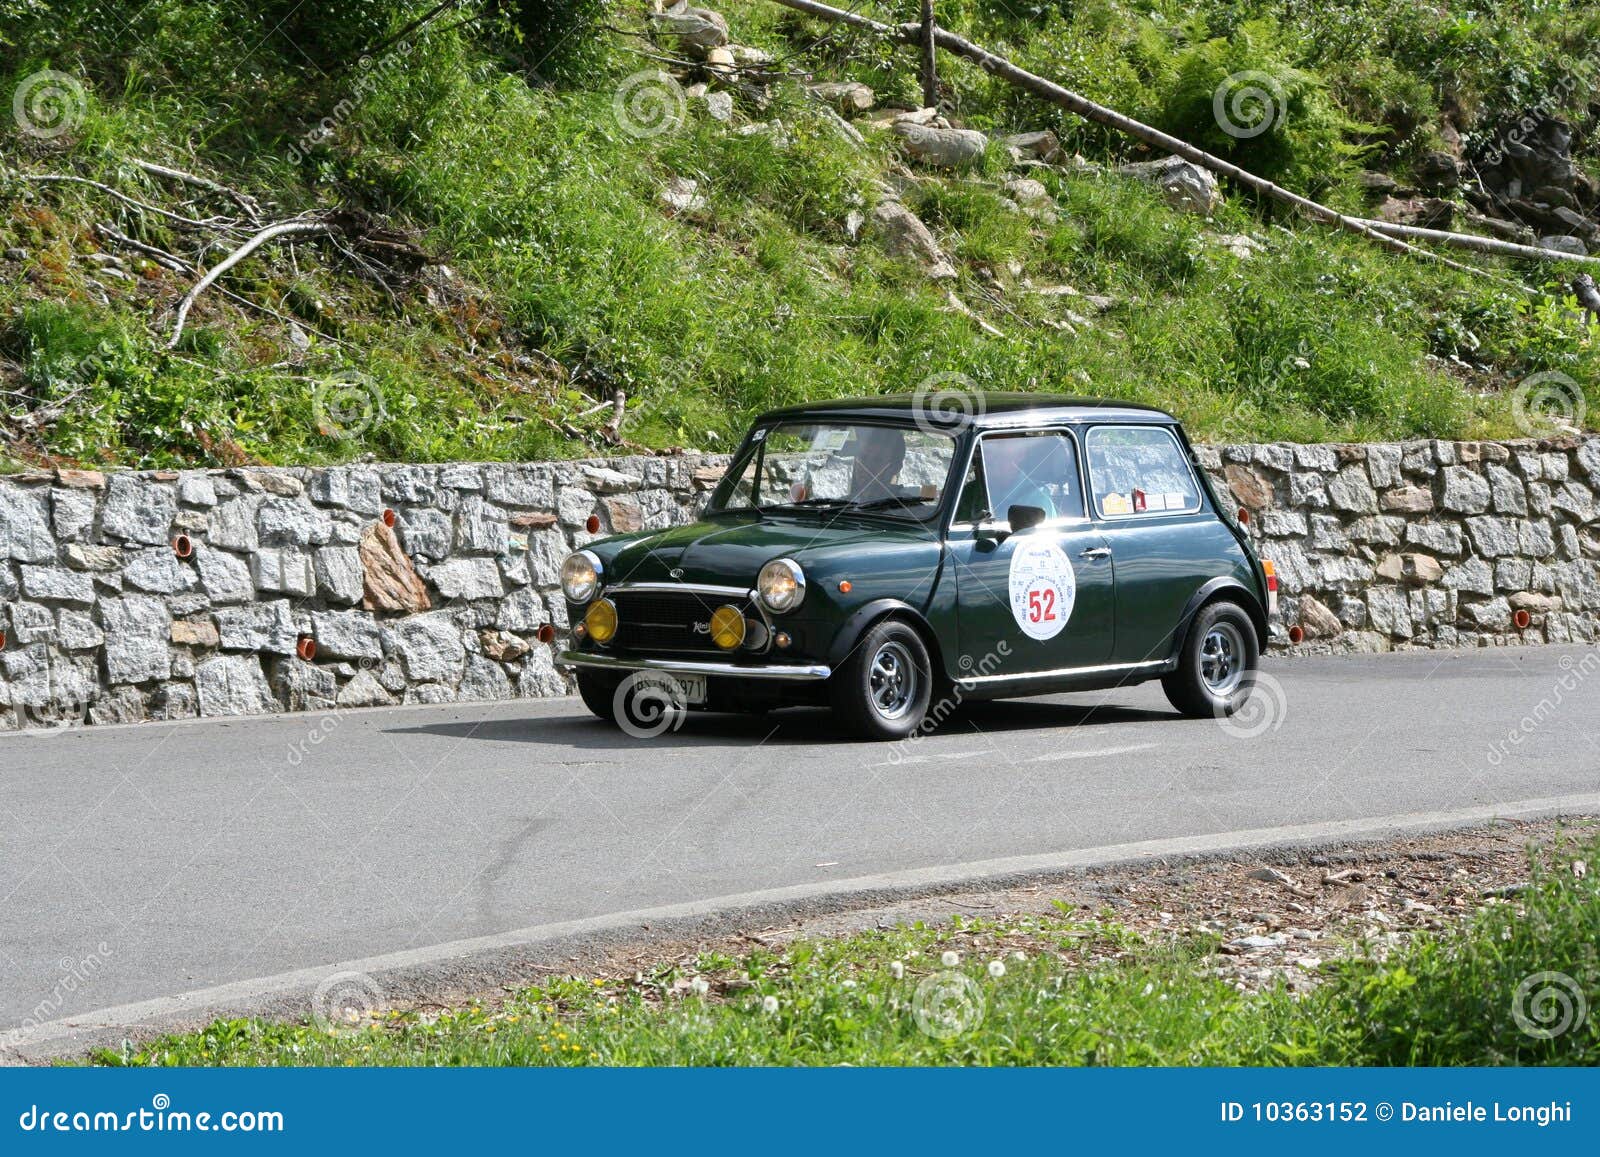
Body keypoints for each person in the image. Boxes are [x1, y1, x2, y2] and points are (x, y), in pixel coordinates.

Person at [984, 436, 1058, 521]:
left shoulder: (1037, 498)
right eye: (987, 447)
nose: (989, 456)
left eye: (1000, 445)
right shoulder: (971, 491)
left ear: (1020, 454)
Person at [848, 426, 908, 503]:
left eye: (877, 461)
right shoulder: (840, 505)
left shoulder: (912, 510)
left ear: (895, 468)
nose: (866, 467)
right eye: (863, 458)